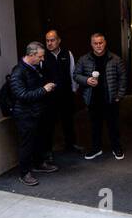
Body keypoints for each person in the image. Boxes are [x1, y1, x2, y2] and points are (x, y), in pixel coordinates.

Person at [9, 41, 58, 185]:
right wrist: (44, 89)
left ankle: (38, 164)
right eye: (40, 57)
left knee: (38, 140)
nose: (42, 59)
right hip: (24, 115)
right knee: (26, 144)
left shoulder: (33, 68)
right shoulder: (18, 72)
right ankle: (24, 173)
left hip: (36, 112)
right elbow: (22, 95)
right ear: (31, 55)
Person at [74, 32, 128, 160]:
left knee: (113, 126)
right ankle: (96, 148)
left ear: (105, 43)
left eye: (101, 42)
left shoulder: (115, 59)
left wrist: (119, 95)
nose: (98, 45)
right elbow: (76, 75)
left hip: (111, 98)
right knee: (94, 126)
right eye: (95, 43)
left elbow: (123, 78)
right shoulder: (84, 59)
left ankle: (116, 147)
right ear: (91, 44)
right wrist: (87, 80)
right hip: (92, 98)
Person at [42, 29, 81, 155]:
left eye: (52, 40)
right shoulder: (43, 57)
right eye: (47, 41)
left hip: (66, 93)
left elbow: (72, 72)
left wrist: (74, 89)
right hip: (50, 96)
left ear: (59, 41)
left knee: (68, 120)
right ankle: (47, 151)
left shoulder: (67, 54)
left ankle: (71, 144)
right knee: (49, 124)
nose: (49, 43)